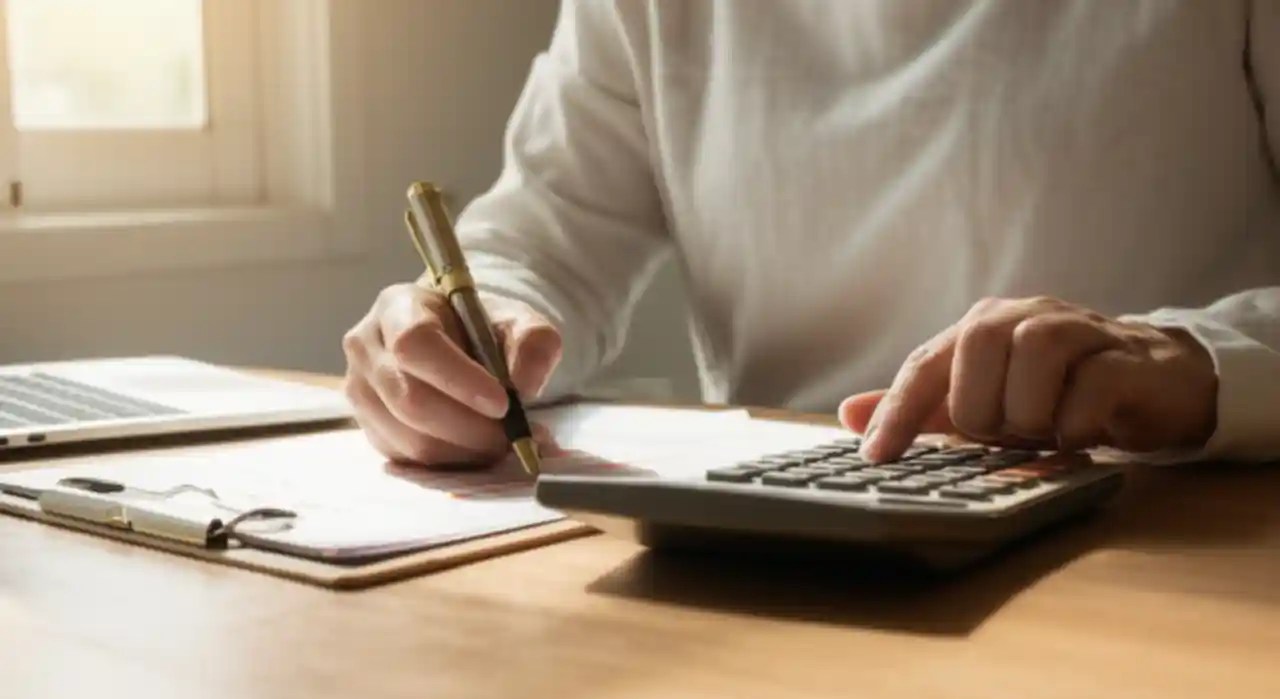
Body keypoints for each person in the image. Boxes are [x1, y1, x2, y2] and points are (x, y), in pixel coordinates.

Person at [342, 1, 1280, 468]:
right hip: (770, 550)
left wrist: (1203, 362)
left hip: (1166, 542)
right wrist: (468, 334)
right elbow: (539, 243)